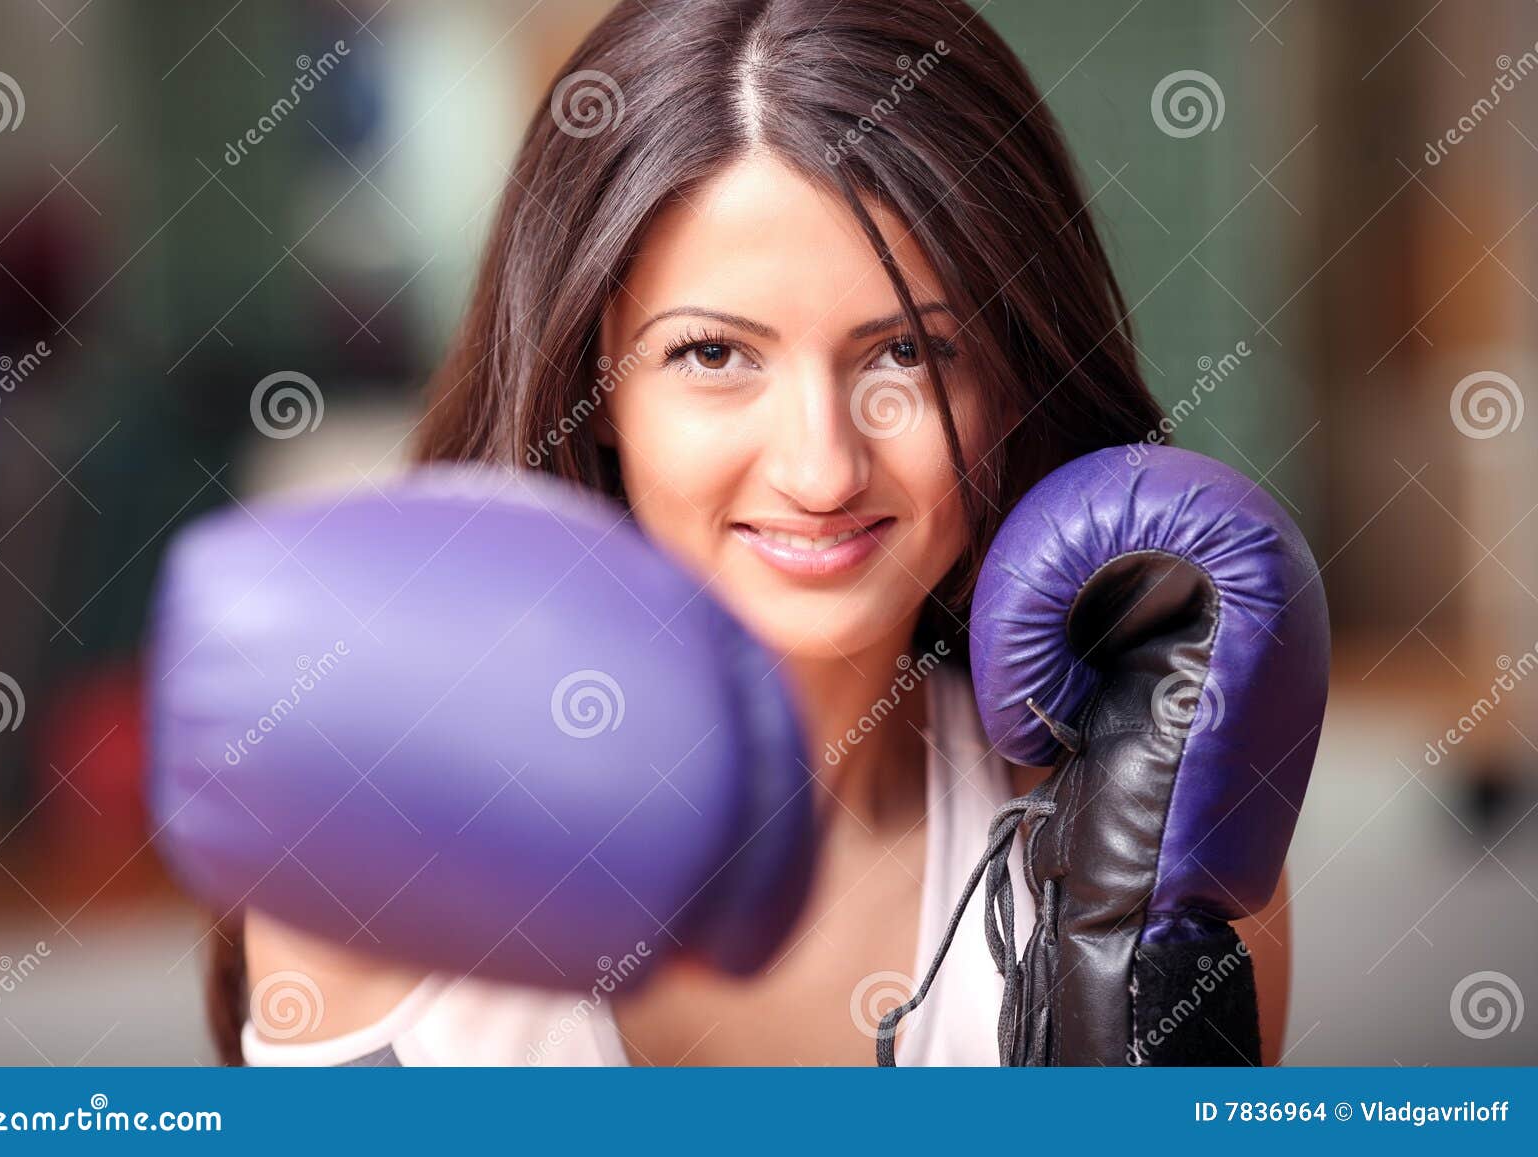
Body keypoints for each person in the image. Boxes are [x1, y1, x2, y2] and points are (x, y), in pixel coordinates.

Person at [218, 0, 1291, 1066]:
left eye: (908, 353)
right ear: (591, 389)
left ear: (1010, 381)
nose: (820, 468)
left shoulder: (1154, 851)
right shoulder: (376, 842)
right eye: (714, 355)